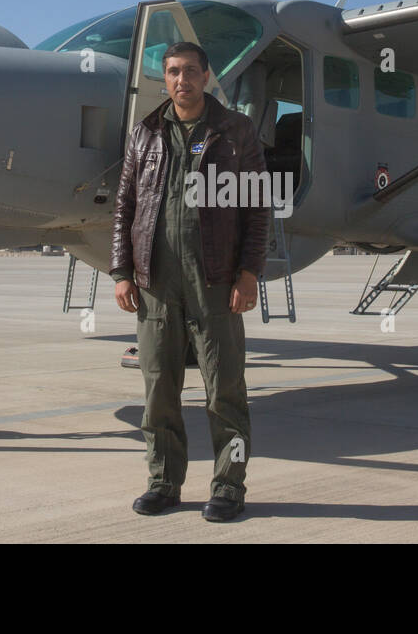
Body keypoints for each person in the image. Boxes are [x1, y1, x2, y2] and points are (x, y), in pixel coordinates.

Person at [110, 40, 269, 522]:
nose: (183, 80)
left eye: (192, 72)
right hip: (157, 282)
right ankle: (163, 482)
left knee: (225, 391)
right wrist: (121, 270)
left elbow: (257, 209)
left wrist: (248, 273)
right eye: (174, 72)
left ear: (206, 76)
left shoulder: (235, 131)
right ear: (166, 80)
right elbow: (125, 206)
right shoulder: (146, 133)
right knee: (159, 389)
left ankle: (229, 487)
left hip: (216, 281)